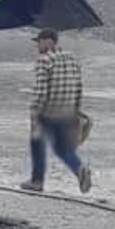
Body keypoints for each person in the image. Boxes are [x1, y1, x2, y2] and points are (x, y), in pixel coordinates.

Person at [22, 27, 92, 193]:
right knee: (61, 148)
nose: (38, 46)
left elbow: (41, 91)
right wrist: (76, 110)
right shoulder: (71, 58)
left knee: (37, 143)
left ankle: (37, 181)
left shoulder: (44, 60)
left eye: (40, 42)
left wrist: (34, 113)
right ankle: (79, 169)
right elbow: (79, 86)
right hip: (68, 112)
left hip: (48, 112)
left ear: (49, 41)